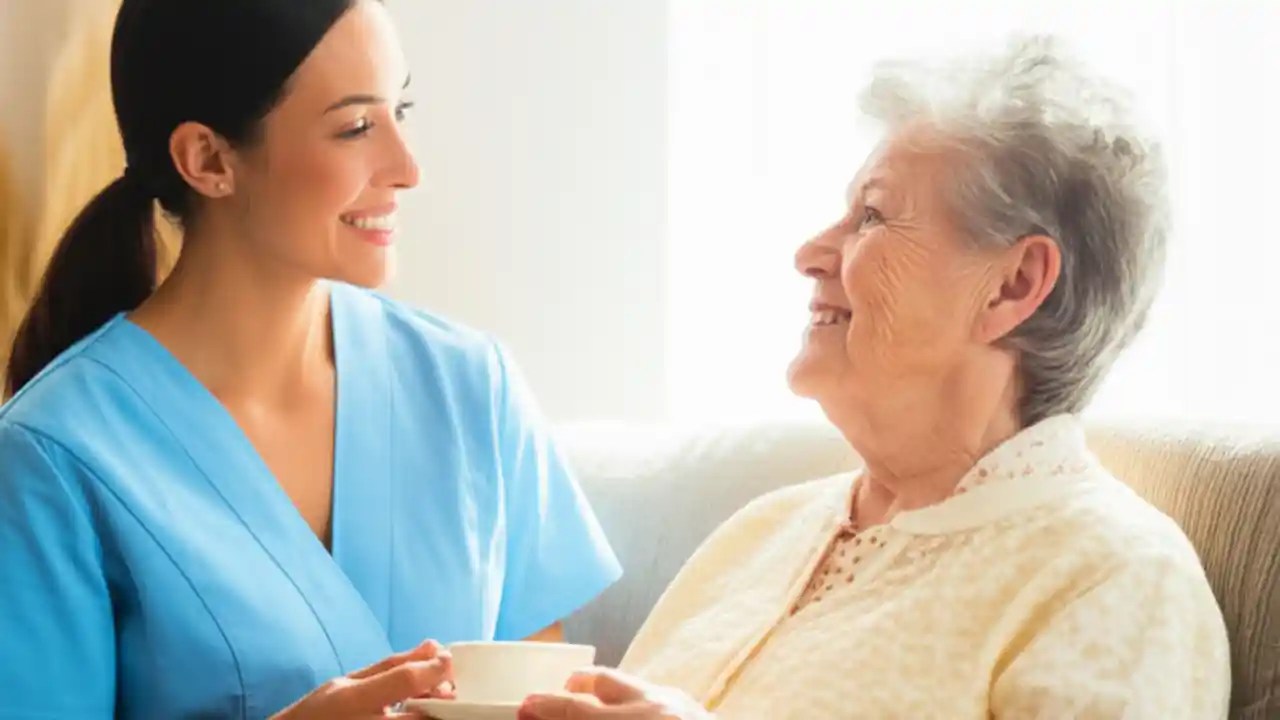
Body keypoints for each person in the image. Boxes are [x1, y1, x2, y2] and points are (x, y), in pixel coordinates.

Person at [517, 37, 1231, 720]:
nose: (810, 252)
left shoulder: (1113, 577)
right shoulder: (763, 531)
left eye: (871, 215)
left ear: (1013, 285)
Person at [0, 1, 620, 717]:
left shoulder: (470, 386)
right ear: (207, 159)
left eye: (401, 110)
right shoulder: (49, 459)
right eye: (357, 126)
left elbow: (540, 701)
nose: (408, 167)